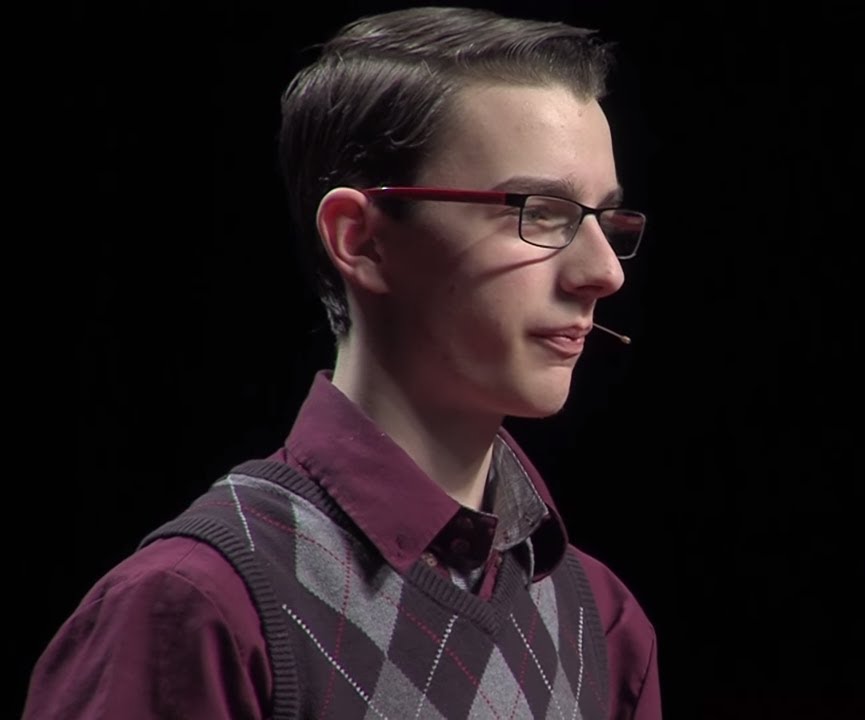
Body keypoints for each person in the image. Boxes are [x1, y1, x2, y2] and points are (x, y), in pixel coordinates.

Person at [23, 6, 659, 719]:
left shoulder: (599, 624)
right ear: (359, 239)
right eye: (540, 211)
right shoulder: (200, 607)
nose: (605, 273)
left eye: (608, 218)